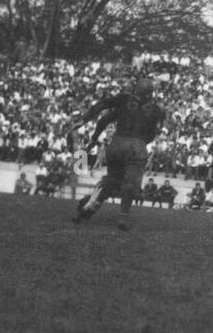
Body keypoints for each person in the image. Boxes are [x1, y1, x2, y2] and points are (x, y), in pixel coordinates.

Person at [69, 76, 166, 231]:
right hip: (137, 144)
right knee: (130, 185)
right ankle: (123, 218)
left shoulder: (124, 100)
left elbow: (103, 115)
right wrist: (139, 143)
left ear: (136, 89)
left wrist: (87, 125)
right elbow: (152, 134)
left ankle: (88, 208)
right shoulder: (156, 110)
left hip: (116, 143)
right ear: (151, 93)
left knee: (111, 180)